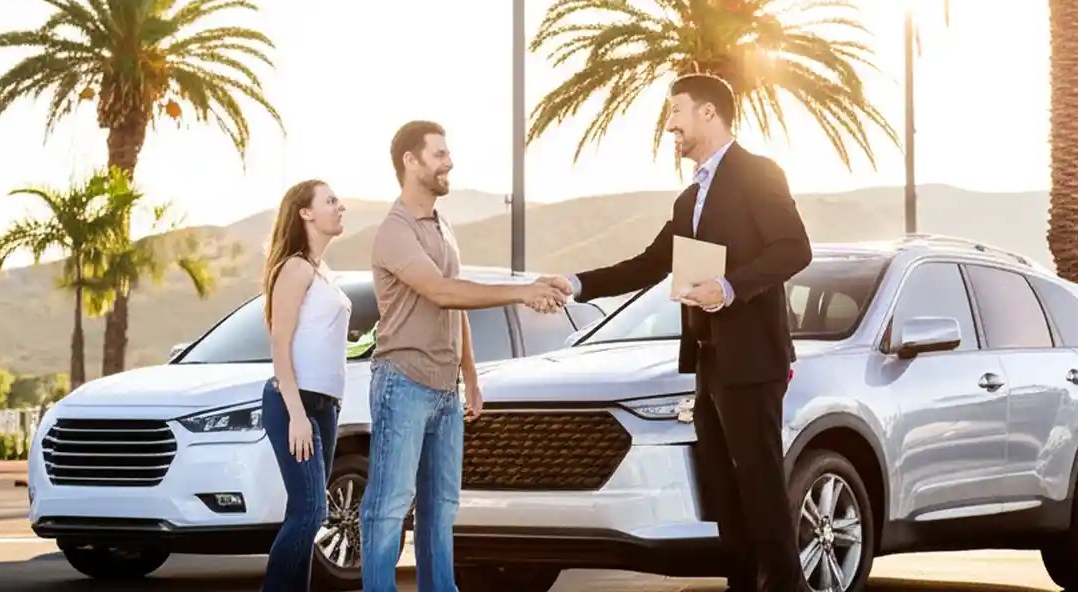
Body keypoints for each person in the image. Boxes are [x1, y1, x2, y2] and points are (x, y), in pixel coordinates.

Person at [547, 74, 813, 592]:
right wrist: (576, 283)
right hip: (708, 362)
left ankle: (787, 586)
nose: (670, 124)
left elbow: (794, 249)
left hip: (753, 360)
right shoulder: (690, 198)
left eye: (677, 111)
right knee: (724, 488)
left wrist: (730, 288)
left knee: (759, 483)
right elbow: (650, 264)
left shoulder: (759, 174)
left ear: (709, 114)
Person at [360, 120, 566, 592]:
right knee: (388, 505)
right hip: (403, 381)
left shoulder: (441, 224)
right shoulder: (395, 231)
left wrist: (470, 376)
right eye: (438, 154)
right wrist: (522, 291)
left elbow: (456, 307)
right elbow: (443, 291)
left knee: (441, 507)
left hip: (444, 391)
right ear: (410, 162)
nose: (448, 161)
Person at [260, 179, 351, 591]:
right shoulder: (295, 267)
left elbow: (316, 337)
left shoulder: (322, 273)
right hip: (296, 403)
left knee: (306, 511)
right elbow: (280, 343)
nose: (341, 206)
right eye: (330, 201)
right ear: (306, 213)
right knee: (311, 512)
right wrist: (297, 415)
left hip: (326, 404)